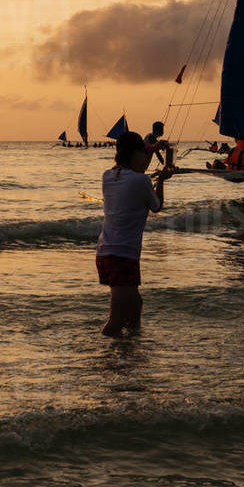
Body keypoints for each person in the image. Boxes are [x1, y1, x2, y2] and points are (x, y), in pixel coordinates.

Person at [96, 131, 167, 337]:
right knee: (116, 320)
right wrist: (161, 180)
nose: (146, 158)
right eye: (143, 154)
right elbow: (157, 206)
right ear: (135, 155)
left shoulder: (108, 176)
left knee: (135, 305)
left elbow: (136, 172)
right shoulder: (142, 181)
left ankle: (131, 350)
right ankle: (105, 361)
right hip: (123, 254)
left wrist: (150, 149)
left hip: (105, 252)